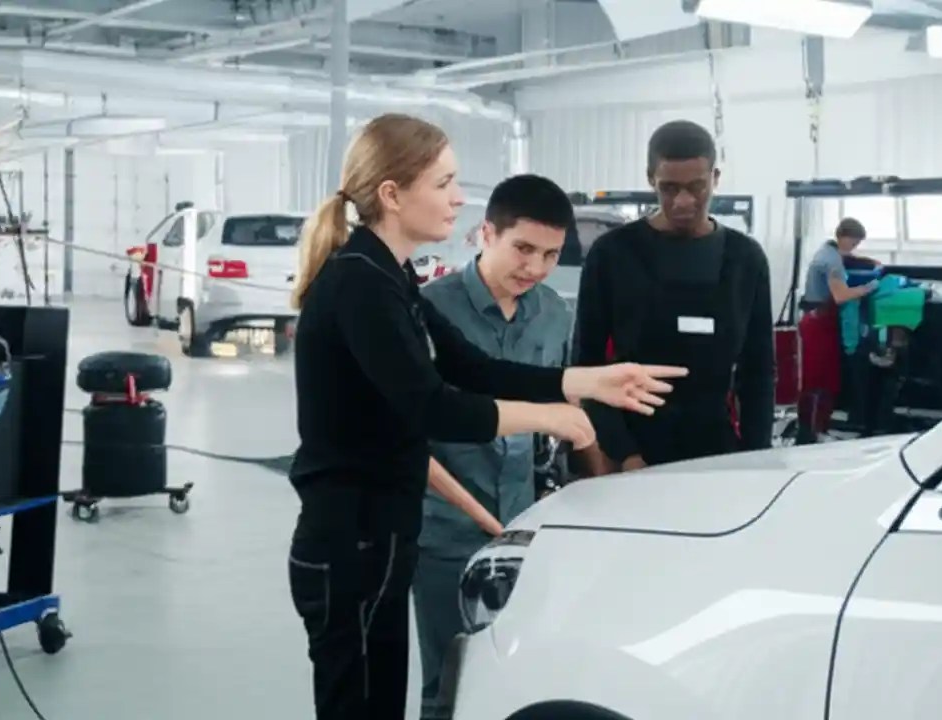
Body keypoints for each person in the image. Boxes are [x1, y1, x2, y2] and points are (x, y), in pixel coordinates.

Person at [286, 113, 687, 720]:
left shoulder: (391, 277)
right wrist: (549, 419)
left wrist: (587, 381)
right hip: (352, 543)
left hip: (382, 540)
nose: (458, 197)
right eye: (444, 182)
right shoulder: (359, 284)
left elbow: (474, 367)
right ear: (392, 195)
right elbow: (434, 405)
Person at [413, 174, 575, 719]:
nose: (534, 268)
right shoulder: (428, 311)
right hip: (443, 532)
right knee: (447, 683)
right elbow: (411, 433)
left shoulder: (555, 314)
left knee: (515, 675)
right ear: (486, 233)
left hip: (526, 533)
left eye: (550, 254)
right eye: (523, 249)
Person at [573, 119, 774, 473]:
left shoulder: (745, 259)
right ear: (650, 178)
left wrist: (756, 457)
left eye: (696, 186)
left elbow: (757, 372)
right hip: (631, 452)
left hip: (717, 451)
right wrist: (622, 451)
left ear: (715, 178)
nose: (683, 201)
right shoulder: (613, 254)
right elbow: (586, 365)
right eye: (669, 188)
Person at [796, 218, 879, 443]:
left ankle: (815, 429)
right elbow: (841, 296)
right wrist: (868, 288)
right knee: (821, 380)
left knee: (821, 378)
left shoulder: (826, 250)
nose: (854, 248)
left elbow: (846, 258)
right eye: (854, 243)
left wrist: (868, 261)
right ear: (846, 237)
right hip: (819, 324)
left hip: (815, 321)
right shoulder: (832, 262)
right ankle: (812, 433)